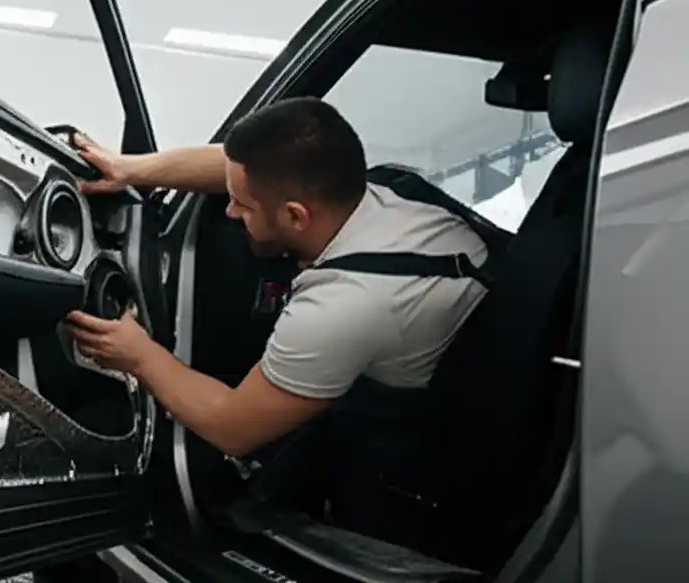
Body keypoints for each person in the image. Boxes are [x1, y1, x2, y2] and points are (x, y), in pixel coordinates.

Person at [63, 96, 488, 461]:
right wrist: (129, 170)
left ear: (295, 216)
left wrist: (139, 355)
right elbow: (237, 167)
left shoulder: (341, 308)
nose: (229, 211)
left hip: (428, 434)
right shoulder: (372, 192)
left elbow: (234, 429)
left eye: (242, 206)